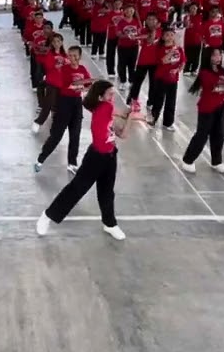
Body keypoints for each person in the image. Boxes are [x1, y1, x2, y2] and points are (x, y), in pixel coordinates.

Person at [35, 80, 135, 241]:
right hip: (95, 158)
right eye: (110, 93)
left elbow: (122, 134)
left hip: (110, 156)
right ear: (101, 97)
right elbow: (111, 112)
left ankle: (110, 224)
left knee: (107, 192)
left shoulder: (104, 109)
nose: (113, 95)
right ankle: (48, 215)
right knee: (76, 189)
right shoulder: (105, 108)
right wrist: (128, 114)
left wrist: (130, 116)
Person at [34, 46, 89, 174]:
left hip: (77, 104)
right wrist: (80, 86)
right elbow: (67, 84)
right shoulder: (63, 69)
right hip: (64, 103)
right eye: (70, 56)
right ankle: (41, 159)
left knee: (75, 135)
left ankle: (72, 163)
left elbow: (87, 83)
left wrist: (86, 87)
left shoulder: (82, 69)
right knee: (56, 136)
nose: (72, 58)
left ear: (80, 57)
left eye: (75, 56)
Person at [179, 49, 224, 174]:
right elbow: (213, 83)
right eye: (214, 55)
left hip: (220, 106)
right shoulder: (204, 72)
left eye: (219, 54)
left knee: (219, 135)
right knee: (202, 135)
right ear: (208, 57)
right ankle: (188, 160)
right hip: (207, 108)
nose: (218, 57)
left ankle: (216, 161)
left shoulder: (222, 71)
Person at [146, 29, 184, 130]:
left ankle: (168, 123)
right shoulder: (160, 48)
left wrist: (177, 70)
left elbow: (183, 61)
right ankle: (153, 119)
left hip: (173, 80)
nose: (170, 37)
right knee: (158, 100)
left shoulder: (179, 49)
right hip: (161, 78)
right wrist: (171, 51)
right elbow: (163, 61)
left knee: (171, 102)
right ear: (163, 37)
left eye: (172, 35)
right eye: (167, 35)